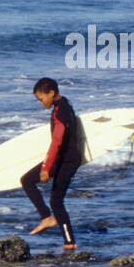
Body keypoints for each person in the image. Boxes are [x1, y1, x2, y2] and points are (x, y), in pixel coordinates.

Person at [21, 77, 82, 250]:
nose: (41, 103)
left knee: (27, 181)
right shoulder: (65, 104)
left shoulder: (59, 111)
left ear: (51, 93)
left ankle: (54, 226)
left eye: (41, 99)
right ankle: (68, 241)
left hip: (65, 159)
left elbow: (57, 140)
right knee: (56, 200)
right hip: (68, 157)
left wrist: (46, 168)